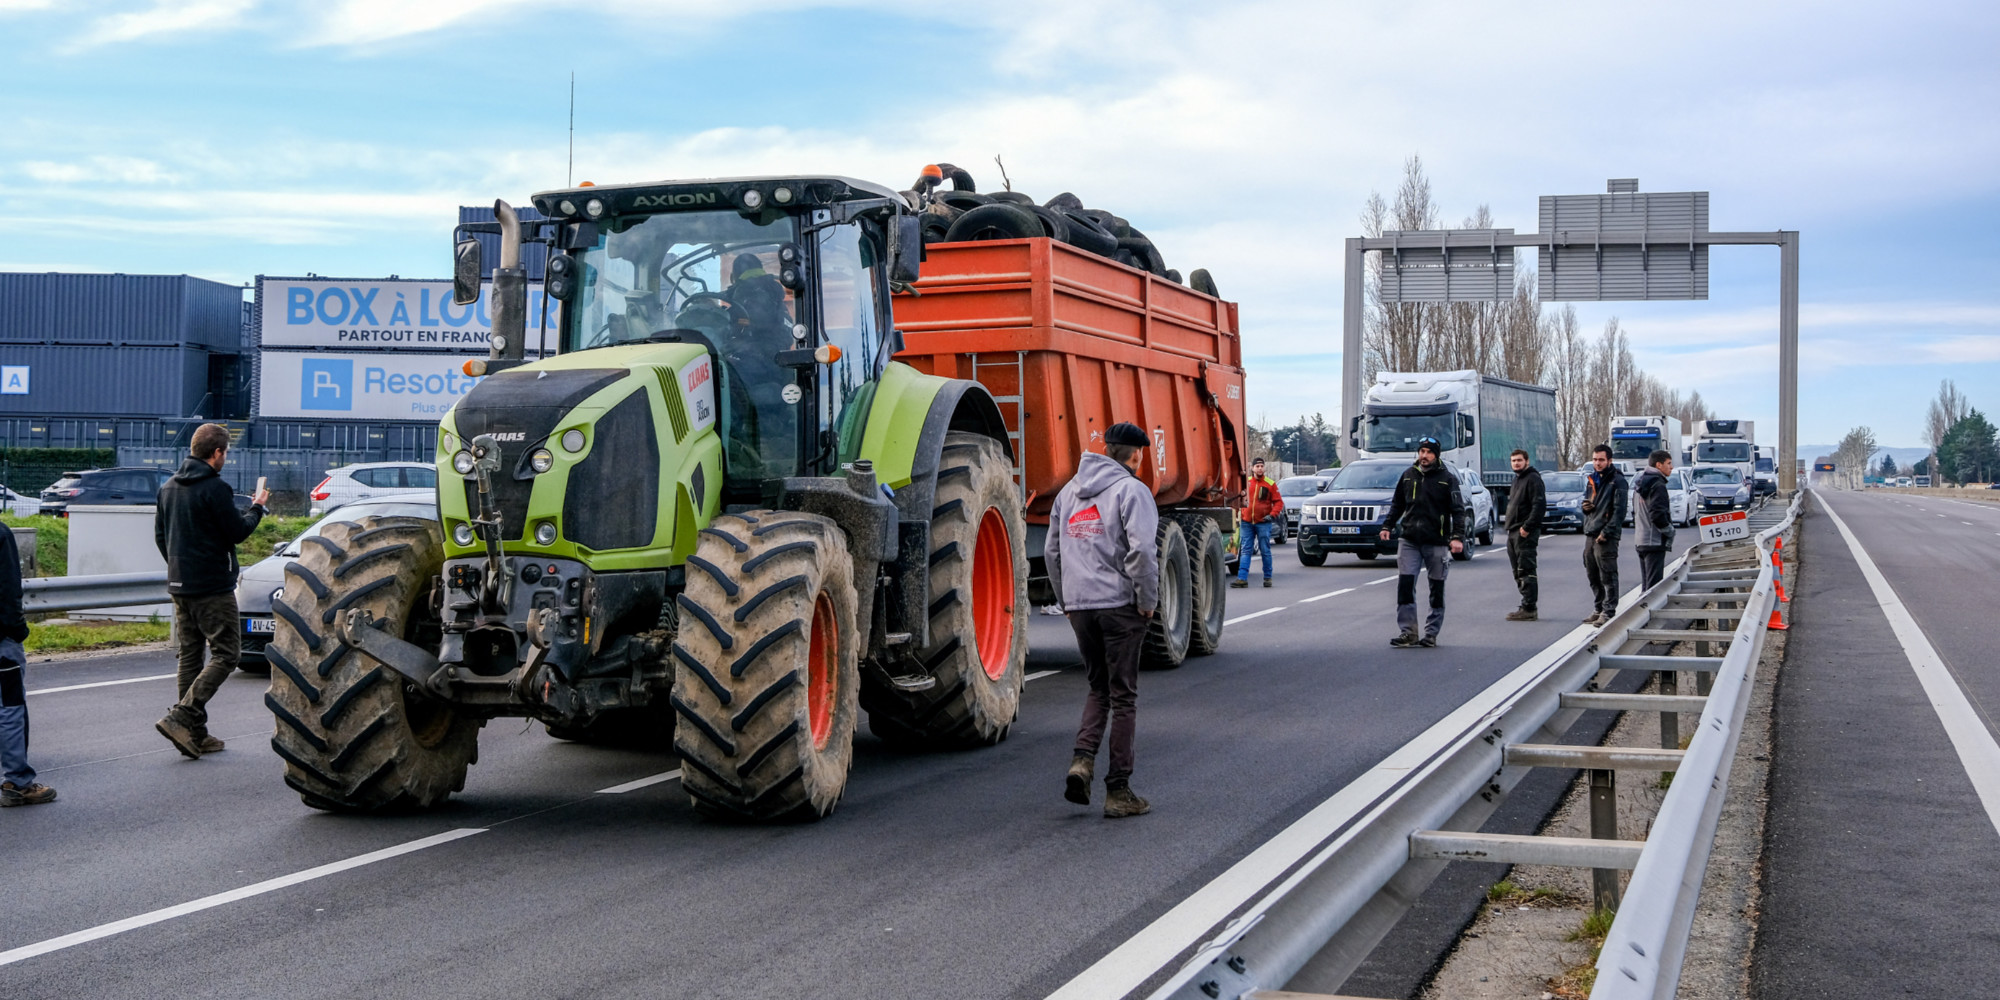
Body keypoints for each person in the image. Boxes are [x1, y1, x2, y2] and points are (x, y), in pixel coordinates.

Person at [1045, 421, 1159, 819]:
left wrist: (1068, 601)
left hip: (1081, 607)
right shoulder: (1132, 491)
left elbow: (1052, 552)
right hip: (1119, 607)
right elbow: (1143, 552)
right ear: (1134, 455)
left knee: (1098, 689)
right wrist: (1147, 600)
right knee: (1123, 696)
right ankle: (1118, 791)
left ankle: (1082, 761)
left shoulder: (1067, 494)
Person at [153, 423, 268, 759]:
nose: (225, 459)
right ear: (216, 453)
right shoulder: (215, 489)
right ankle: (181, 716)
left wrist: (179, 568)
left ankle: (196, 734)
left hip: (179, 584)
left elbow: (161, 537)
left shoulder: (168, 487)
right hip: (213, 588)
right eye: (225, 454)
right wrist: (258, 506)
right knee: (227, 655)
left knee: (190, 654)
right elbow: (237, 532)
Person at [1379, 437, 1468, 647]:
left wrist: (1457, 537)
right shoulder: (1408, 475)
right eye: (1421, 451)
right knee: (1405, 585)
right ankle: (1408, 632)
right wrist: (1387, 526)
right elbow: (1397, 504)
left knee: (1436, 587)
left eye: (1429, 452)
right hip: (1409, 539)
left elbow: (1458, 511)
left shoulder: (1447, 478)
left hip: (1436, 541)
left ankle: (1431, 633)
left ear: (1436, 455)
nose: (1424, 456)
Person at [1, 525, 53, 807]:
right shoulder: (1, 535)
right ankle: (18, 783)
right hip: (1, 642)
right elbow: (8, 590)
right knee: (10, 708)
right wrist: (17, 630)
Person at [1580, 444, 1629, 626]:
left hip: (1606, 535)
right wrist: (1586, 508)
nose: (1597, 463)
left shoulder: (1617, 481)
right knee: (1592, 572)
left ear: (1609, 461)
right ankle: (1598, 607)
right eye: (1594, 460)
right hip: (1591, 532)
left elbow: (1619, 511)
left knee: (1608, 574)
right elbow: (1589, 504)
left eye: (1601, 460)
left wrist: (1607, 531)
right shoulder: (1592, 480)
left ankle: (1608, 611)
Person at [1503, 450, 1545, 621]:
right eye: (1513, 461)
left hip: (1524, 533)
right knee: (1517, 571)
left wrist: (1527, 527)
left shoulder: (1533, 479)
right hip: (1513, 531)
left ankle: (1529, 608)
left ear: (1527, 461)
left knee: (1526, 569)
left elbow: (1539, 505)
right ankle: (1525, 604)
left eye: (1519, 460)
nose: (1516, 464)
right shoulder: (1517, 480)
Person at [1232, 457, 1283, 589]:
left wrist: (1272, 515)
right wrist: (1239, 513)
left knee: (1265, 550)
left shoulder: (1270, 484)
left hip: (1263, 523)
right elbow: (1238, 499)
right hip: (1246, 522)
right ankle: (1242, 578)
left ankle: (1267, 577)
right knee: (1245, 550)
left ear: (1264, 468)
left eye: (1261, 466)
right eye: (1257, 466)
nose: (1260, 468)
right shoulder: (1246, 482)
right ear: (1252, 468)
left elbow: (1278, 502)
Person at [1633, 449, 1677, 590]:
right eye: (1669, 463)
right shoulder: (1658, 485)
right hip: (1654, 542)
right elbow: (1657, 514)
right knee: (1653, 590)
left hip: (1641, 540)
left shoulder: (1639, 483)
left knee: (1646, 588)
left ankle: (1641, 611)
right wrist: (1670, 531)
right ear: (1659, 465)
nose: (1672, 467)